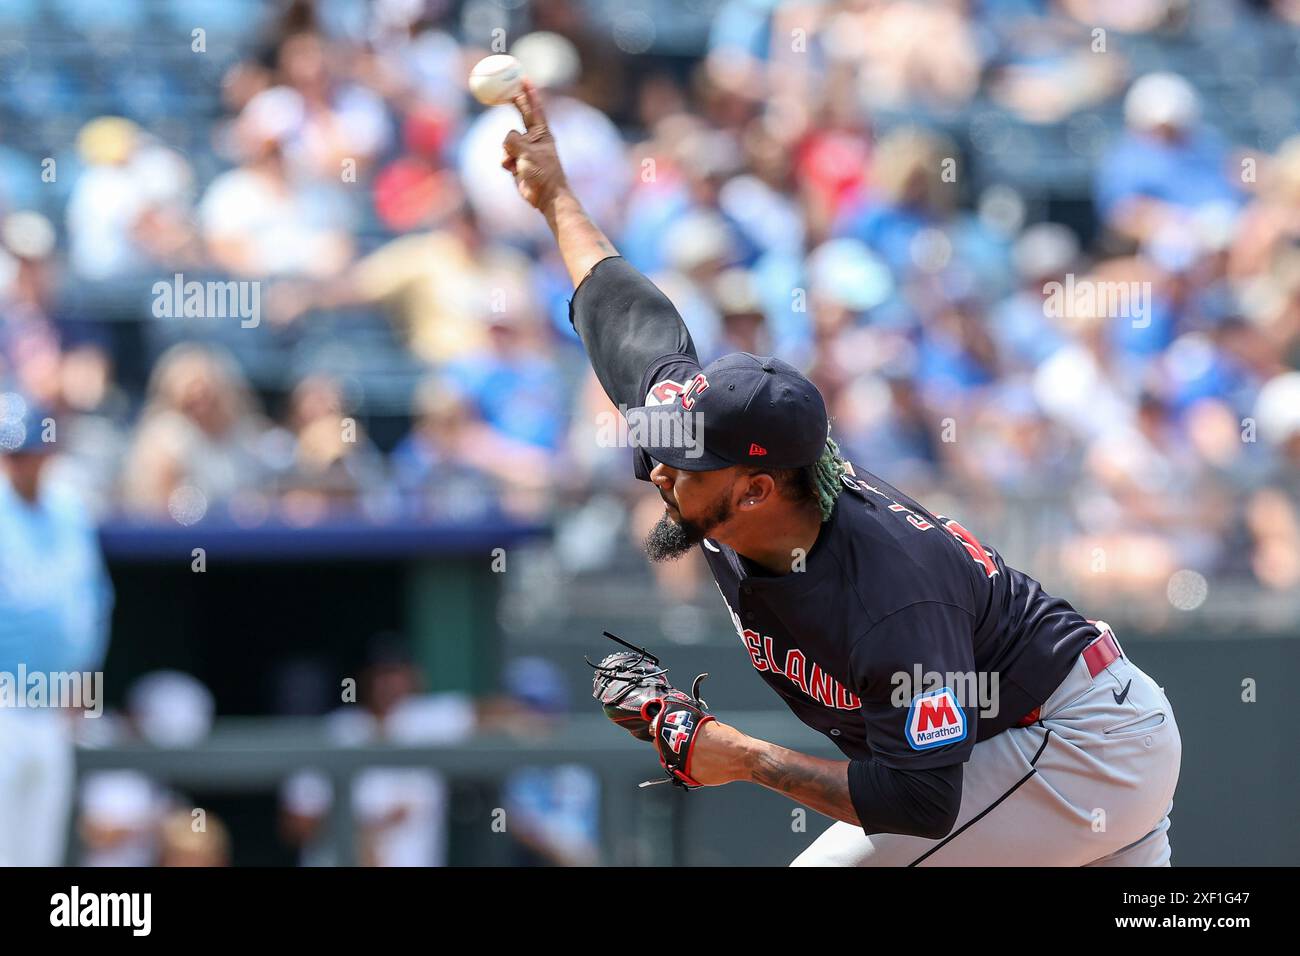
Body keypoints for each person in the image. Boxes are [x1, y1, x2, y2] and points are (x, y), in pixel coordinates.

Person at [501, 81, 1183, 866]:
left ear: (756, 489)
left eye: (681, 461)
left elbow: (922, 803)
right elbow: (623, 314)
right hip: (1060, 738)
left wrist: (746, 758)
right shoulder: (737, 476)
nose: (656, 469)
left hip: (1067, 744)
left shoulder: (890, 591)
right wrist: (553, 196)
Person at [0, 405, 114, 866]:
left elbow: (94, 601)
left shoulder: (68, 511)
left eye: (31, 452)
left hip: (52, 708)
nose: (23, 462)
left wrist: (84, 677)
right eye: (13, 453)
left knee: (40, 853)